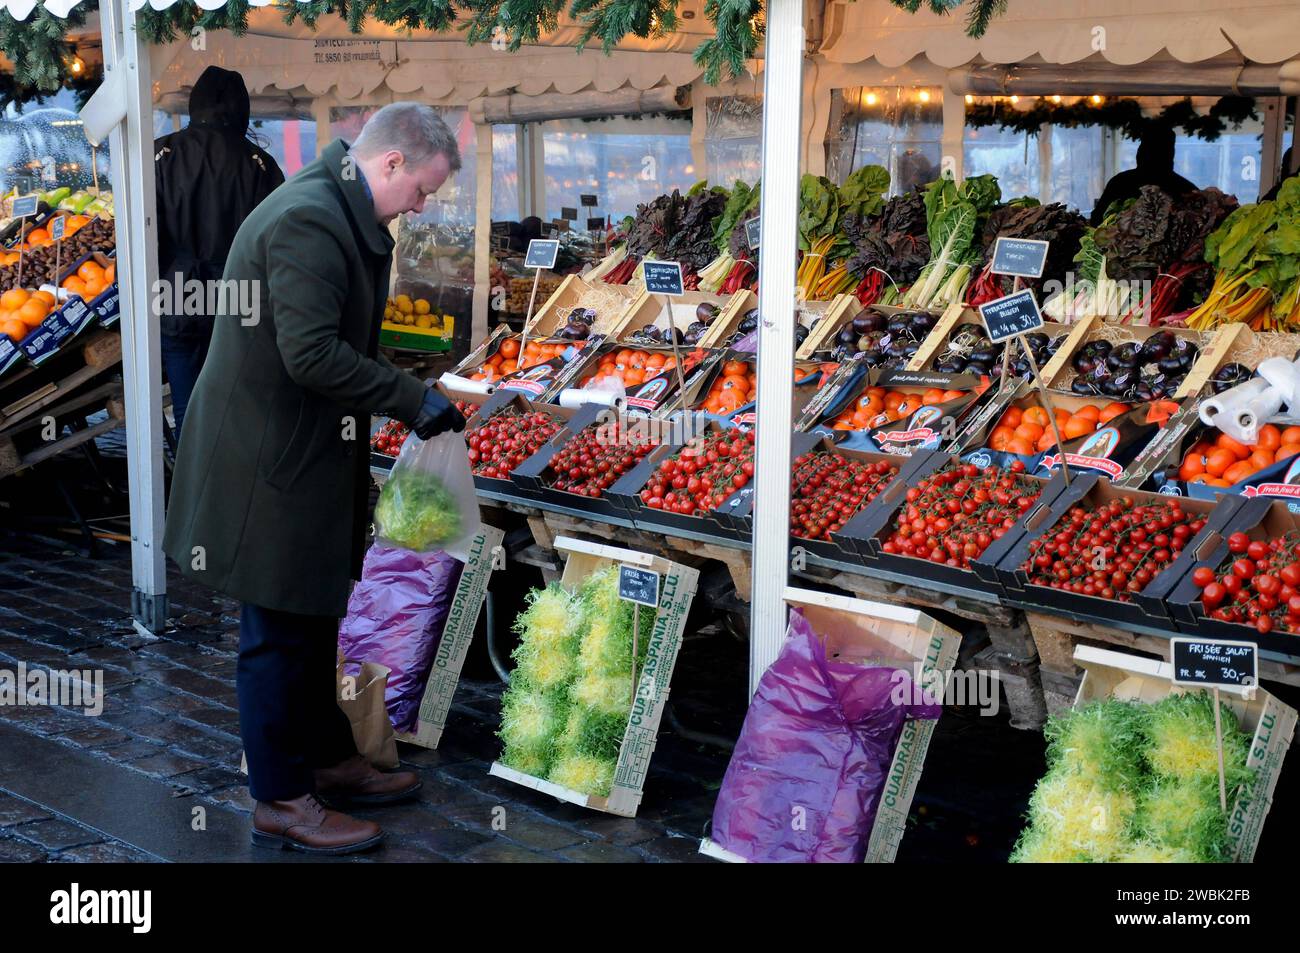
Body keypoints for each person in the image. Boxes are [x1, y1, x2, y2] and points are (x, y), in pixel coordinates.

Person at [163, 103, 467, 854]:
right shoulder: (310, 218)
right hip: (264, 460)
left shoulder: (336, 207)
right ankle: (280, 798)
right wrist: (409, 397)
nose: (421, 206)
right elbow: (311, 355)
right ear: (390, 163)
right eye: (421, 189)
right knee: (274, 629)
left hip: (298, 450)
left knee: (312, 613)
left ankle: (330, 760)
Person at [154, 66, 284, 442]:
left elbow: (144, 233)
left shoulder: (160, 155)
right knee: (237, 406)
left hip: (175, 297)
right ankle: (230, 490)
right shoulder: (259, 164)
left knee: (186, 408)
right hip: (238, 302)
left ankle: (190, 494)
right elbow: (279, 241)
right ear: (239, 110)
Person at [1090, 123, 1196, 225]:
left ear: (1141, 151)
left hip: (1115, 242)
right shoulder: (1186, 188)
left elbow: (1096, 220)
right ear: (1171, 153)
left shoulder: (1121, 182)